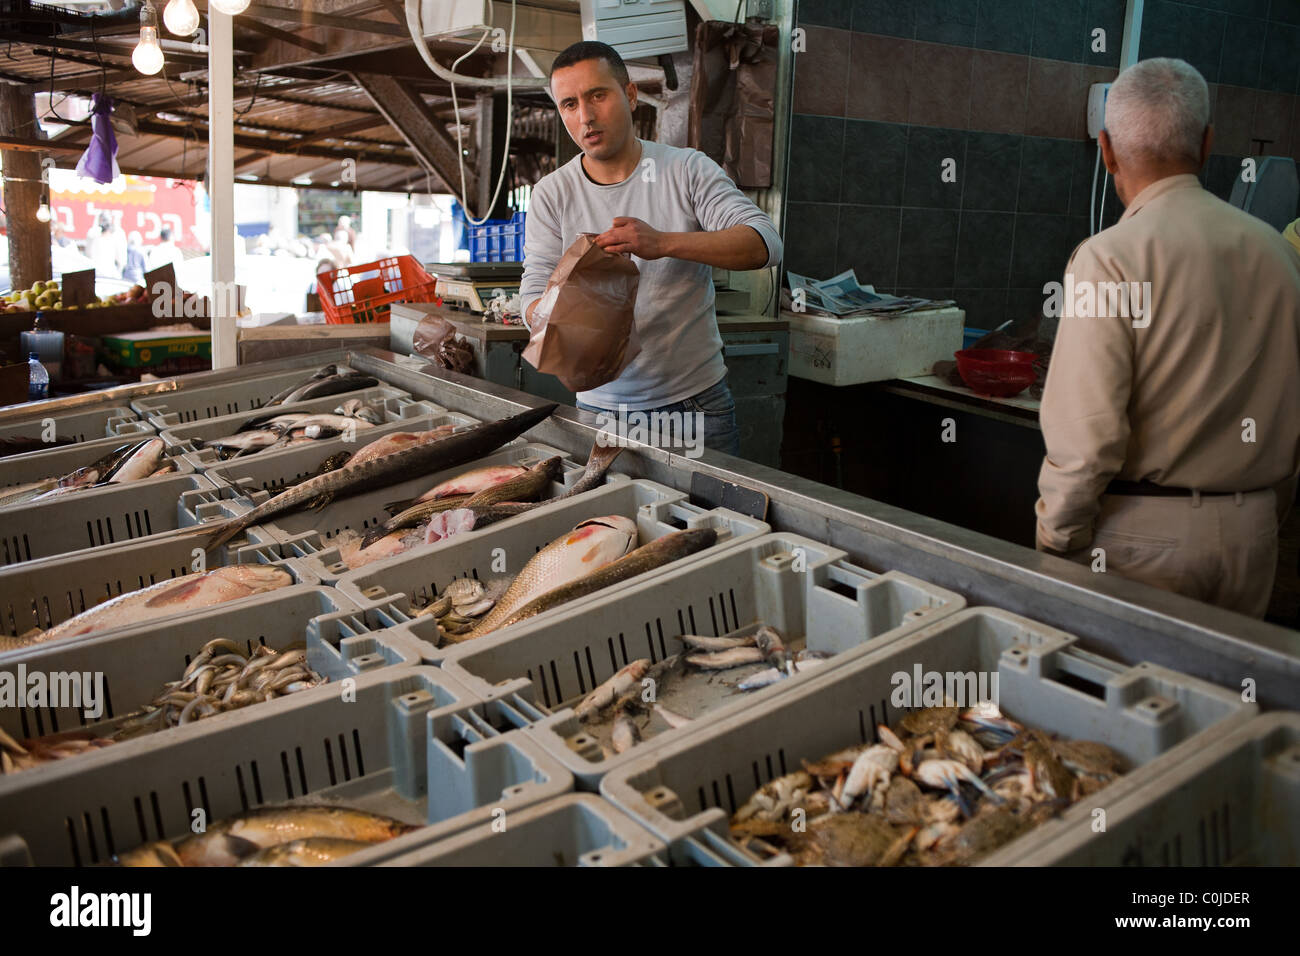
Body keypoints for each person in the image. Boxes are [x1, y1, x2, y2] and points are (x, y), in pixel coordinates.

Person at [1035, 57, 1300, 618]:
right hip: (1252, 537)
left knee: (1124, 701)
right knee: (1222, 702)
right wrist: (1252, 513)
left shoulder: (1108, 259)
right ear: (1206, 146)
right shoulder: (1279, 254)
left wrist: (1058, 540)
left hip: (1141, 541)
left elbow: (1087, 438)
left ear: (1106, 150)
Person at [520, 40, 782, 456]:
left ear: (629, 95)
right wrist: (558, 311)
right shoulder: (552, 193)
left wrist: (661, 243)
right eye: (569, 104)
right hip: (598, 406)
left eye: (597, 96)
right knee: (609, 518)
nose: (585, 116)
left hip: (695, 405)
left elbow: (764, 243)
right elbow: (532, 289)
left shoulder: (686, 169)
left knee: (710, 519)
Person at [85, 212, 124, 279]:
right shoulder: (93, 237)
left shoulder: (92, 236)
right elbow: (121, 261)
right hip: (105, 276)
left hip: (98, 276)